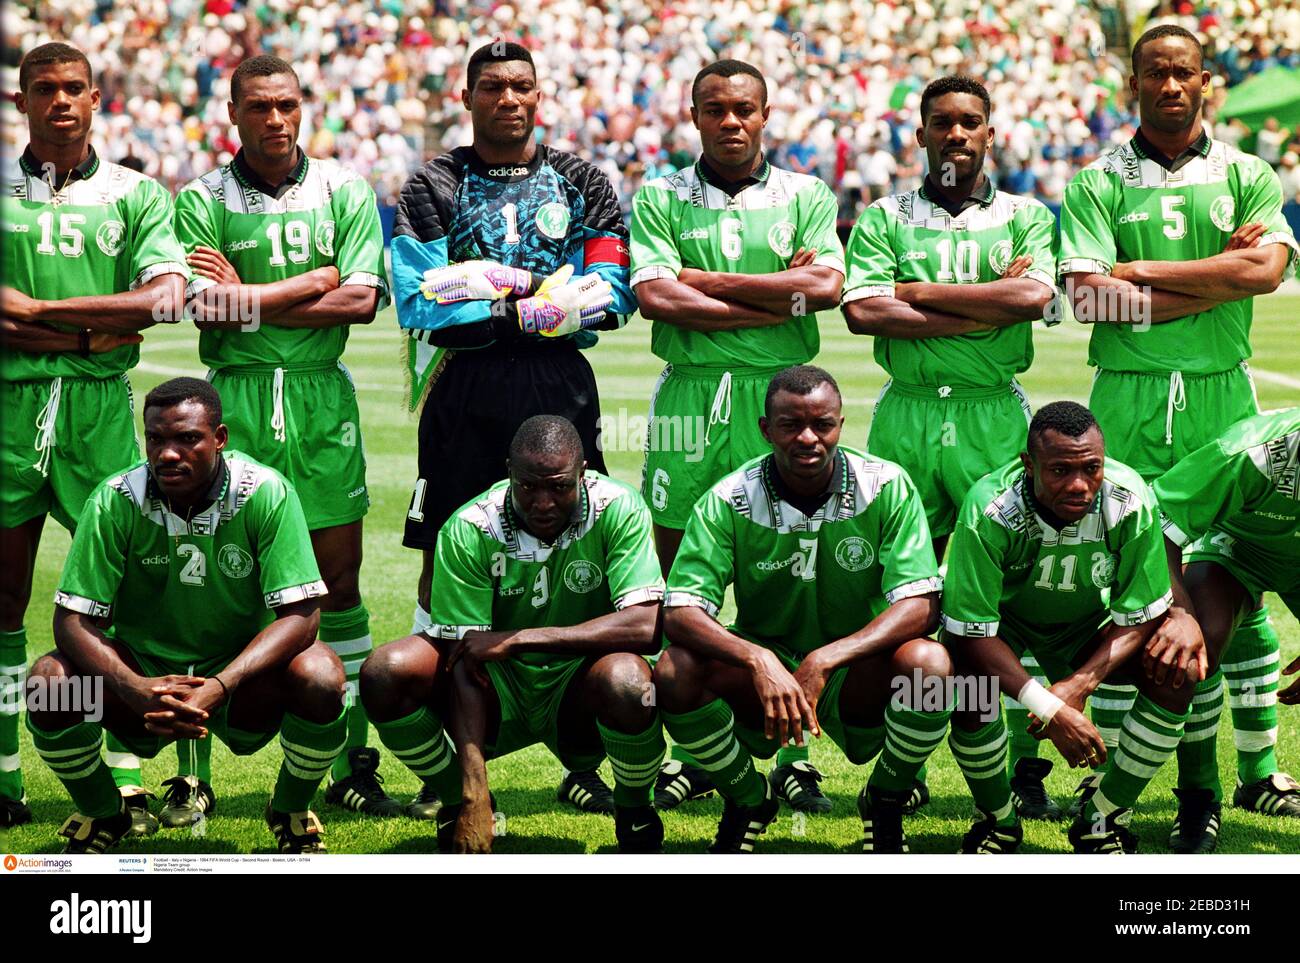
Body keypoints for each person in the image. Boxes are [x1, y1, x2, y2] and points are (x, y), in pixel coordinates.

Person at [1058, 24, 1299, 852]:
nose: (1169, 85)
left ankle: (1256, 772)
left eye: (1183, 73)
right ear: (1132, 83)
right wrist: (1215, 281)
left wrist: (1138, 270)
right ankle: (1127, 776)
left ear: (1205, 83)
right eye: (1154, 73)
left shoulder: (1247, 173)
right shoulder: (1097, 181)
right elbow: (1088, 301)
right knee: (1132, 592)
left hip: (1221, 396)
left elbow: (1267, 272)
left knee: (1235, 578)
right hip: (1124, 399)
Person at [392, 41, 634, 816]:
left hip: (560, 388)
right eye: (492, 86)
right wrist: (535, 296)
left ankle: (582, 752)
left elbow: (613, 291)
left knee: (582, 551)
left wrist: (489, 289)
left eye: (521, 86)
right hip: (462, 390)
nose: (508, 98)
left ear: (539, 95)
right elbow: (420, 300)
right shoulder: (434, 183)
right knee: (443, 556)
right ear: (467, 97)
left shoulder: (582, 180)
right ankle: (451, 765)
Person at [169, 55, 394, 823]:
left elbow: (361, 301)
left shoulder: (345, 189)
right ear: (232, 111)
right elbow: (203, 308)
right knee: (206, 592)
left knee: (339, 585)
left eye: (288, 104)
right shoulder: (202, 197)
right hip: (233, 399)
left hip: (319, 401)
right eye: (260, 106)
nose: (276, 118)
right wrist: (310, 282)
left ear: (304, 107)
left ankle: (353, 764)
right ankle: (190, 777)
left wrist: (249, 295)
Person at [840, 75, 1059, 818]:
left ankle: (1022, 766)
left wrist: (917, 291)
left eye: (970, 122)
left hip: (991, 414)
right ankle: (903, 752)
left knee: (1007, 591)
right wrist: (984, 308)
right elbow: (864, 313)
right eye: (942, 123)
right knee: (899, 590)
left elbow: (1033, 299)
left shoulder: (1026, 215)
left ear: (990, 133)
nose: (956, 135)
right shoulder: (885, 215)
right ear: (921, 135)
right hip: (904, 414)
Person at [630, 60, 845, 815]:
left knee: (785, 575)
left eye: (744, 109)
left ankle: (794, 756)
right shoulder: (660, 195)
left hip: (779, 398)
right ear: (694, 116)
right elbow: (656, 296)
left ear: (765, 114)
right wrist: (772, 296)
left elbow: (824, 289)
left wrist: (705, 281)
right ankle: (694, 751)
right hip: (691, 401)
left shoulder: (806, 195)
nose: (731, 121)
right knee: (676, 579)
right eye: (715, 109)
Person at [25, 378, 346, 854]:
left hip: (243, 682)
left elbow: (301, 616)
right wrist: (132, 687)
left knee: (321, 677)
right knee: (50, 684)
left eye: (188, 438)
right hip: (144, 680)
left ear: (220, 438)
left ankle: (290, 810)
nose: (168, 454)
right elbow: (71, 621)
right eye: (156, 439)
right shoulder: (115, 499)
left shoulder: (265, 492)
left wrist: (221, 685)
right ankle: (103, 812)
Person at [0, 42, 186, 830]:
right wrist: (91, 331)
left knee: (123, 594)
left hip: (101, 409)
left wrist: (40, 318)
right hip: (9, 409)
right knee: (4, 599)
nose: (60, 101)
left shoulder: (135, 194)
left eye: (74, 87)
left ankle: (128, 771)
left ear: (96, 98)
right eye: (44, 88)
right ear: (21, 101)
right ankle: (5, 776)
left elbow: (167, 297)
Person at [654, 366, 950, 853]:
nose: (808, 438)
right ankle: (749, 799)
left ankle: (885, 799)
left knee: (930, 665)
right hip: (764, 674)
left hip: (854, 669)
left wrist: (826, 658)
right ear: (765, 429)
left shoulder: (885, 486)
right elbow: (680, 611)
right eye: (790, 425)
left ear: (840, 425)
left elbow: (921, 603)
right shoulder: (729, 498)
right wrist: (758, 659)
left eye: (822, 424)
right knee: (673, 670)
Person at [359, 416, 667, 853]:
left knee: (631, 682)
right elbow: (464, 666)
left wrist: (520, 638)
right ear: (509, 471)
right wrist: (474, 793)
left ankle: (634, 810)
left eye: (559, 487)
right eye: (528, 486)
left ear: (583, 473)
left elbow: (646, 626)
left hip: (579, 689)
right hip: (496, 692)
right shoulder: (470, 528)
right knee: (386, 671)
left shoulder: (618, 507)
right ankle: (456, 800)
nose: (543, 502)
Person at [942, 402, 1202, 853]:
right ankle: (998, 820)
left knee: (1178, 673)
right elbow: (971, 630)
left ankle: (1102, 818)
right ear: (1029, 464)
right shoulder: (990, 508)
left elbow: (1141, 613)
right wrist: (1049, 706)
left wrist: (1079, 684)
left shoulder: (1130, 499)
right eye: (1060, 470)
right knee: (966, 684)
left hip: (1084, 626)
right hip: (1003, 630)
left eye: (1091, 468)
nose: (1079, 484)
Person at [1151, 407, 1300, 828]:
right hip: (1239, 549)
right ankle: (1199, 795)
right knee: (1202, 638)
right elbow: (1160, 521)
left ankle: (1258, 781)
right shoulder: (1250, 451)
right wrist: (1179, 614)